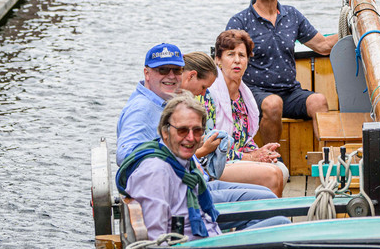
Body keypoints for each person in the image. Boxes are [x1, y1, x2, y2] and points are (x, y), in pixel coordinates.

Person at [116, 42, 282, 212]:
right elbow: (125, 155)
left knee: (266, 194)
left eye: (177, 70)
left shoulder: (162, 102)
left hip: (196, 183)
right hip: (181, 197)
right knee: (267, 201)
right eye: (163, 70)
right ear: (147, 73)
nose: (171, 76)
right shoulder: (142, 108)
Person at [117, 94, 287, 239]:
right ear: (164, 132)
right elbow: (157, 242)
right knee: (282, 224)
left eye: (197, 131)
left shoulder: (181, 164)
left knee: (275, 214)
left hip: (210, 240)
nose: (191, 138)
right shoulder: (156, 172)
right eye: (182, 130)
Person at [226, 0, 337, 146]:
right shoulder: (240, 21)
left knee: (319, 101)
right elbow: (228, 60)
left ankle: (326, 163)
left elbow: (323, 46)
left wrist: (350, 29)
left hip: (290, 92)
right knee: (272, 103)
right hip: (253, 92)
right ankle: (273, 159)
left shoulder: (292, 15)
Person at [198, 31, 288, 196]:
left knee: (279, 167)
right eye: (230, 54)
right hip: (212, 164)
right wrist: (252, 157)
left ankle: (258, 217)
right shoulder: (209, 95)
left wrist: (261, 152)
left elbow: (244, 140)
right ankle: (271, 221)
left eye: (242, 55)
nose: (237, 60)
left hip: (236, 159)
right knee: (274, 174)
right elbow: (210, 147)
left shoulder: (244, 97)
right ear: (218, 60)